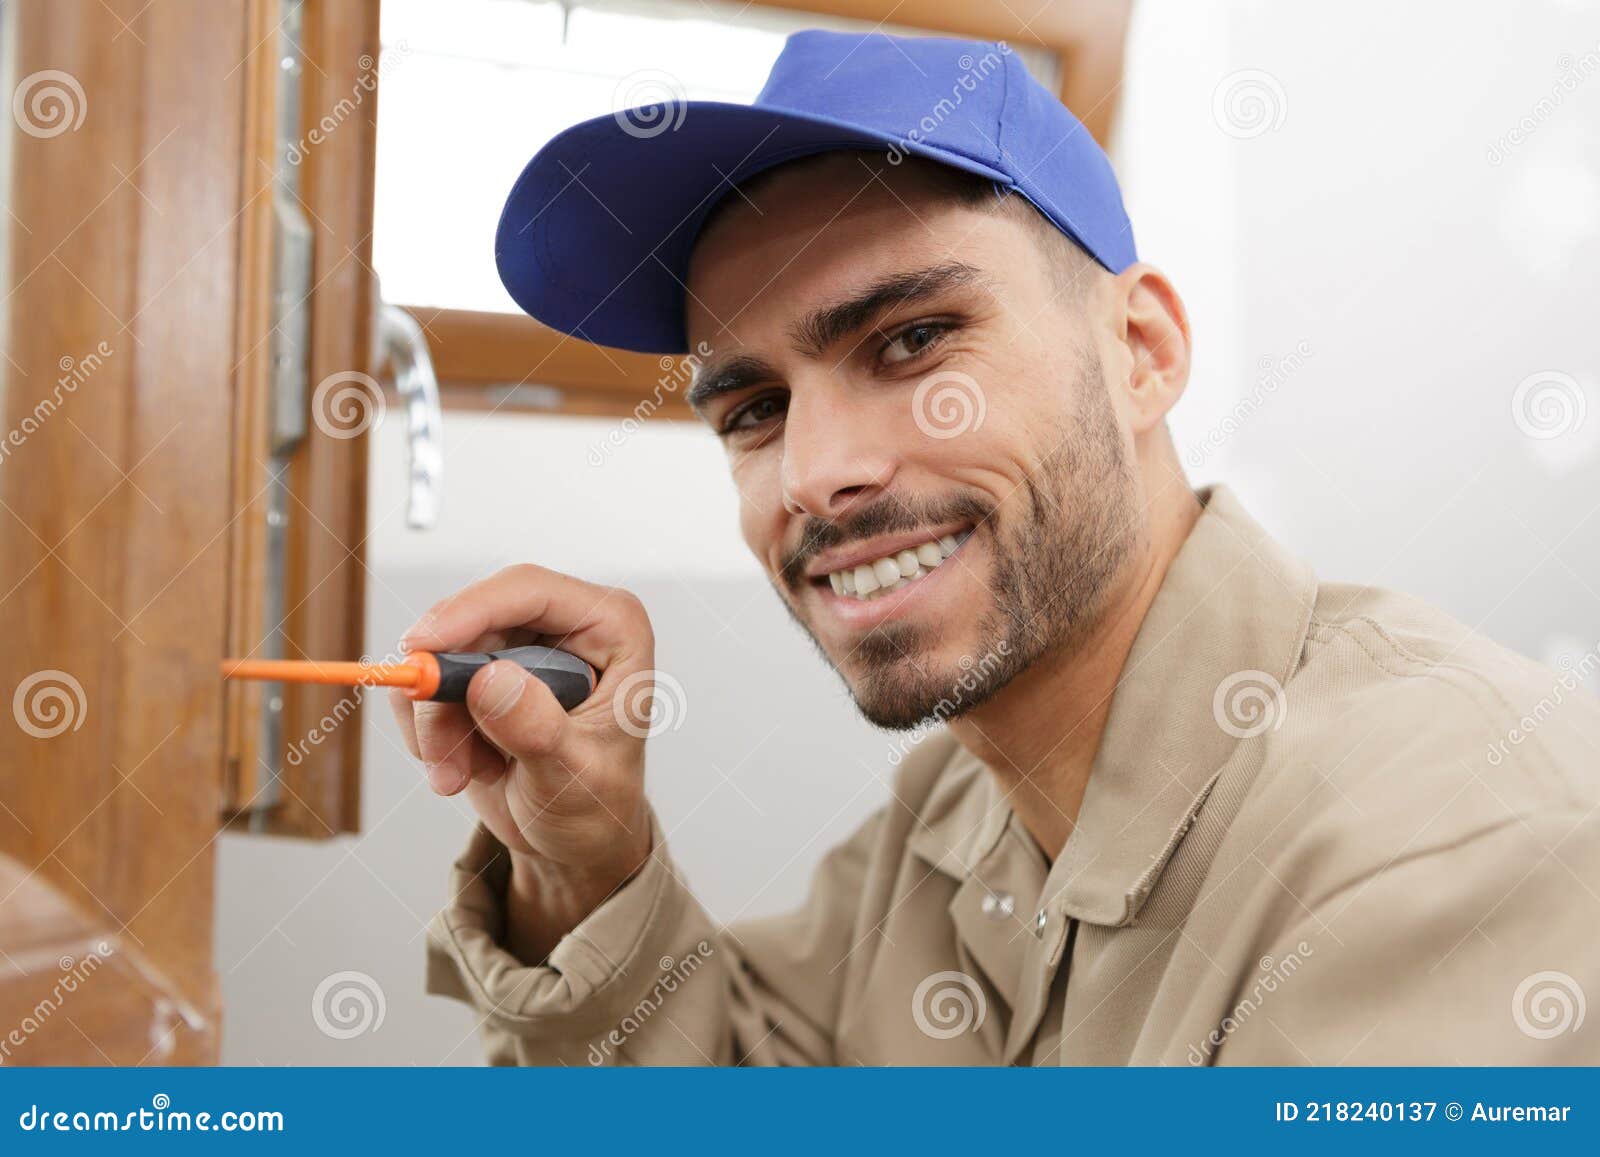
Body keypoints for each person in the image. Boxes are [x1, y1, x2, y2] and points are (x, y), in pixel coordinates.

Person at [394, 30, 1600, 1065]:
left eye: (913, 340)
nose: (815, 475)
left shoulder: (1443, 841)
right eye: (755, 408)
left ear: (1141, 352)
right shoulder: (951, 813)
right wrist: (584, 859)